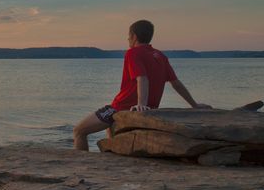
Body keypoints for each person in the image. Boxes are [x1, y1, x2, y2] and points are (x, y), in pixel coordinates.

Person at [73, 19, 211, 151]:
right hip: (149, 107)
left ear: (134, 36)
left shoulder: (132, 53)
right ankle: (113, 155)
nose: (127, 39)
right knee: (110, 128)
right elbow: (176, 83)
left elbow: (142, 78)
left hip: (122, 107)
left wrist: (141, 104)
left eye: (128, 36)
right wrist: (194, 105)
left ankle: (81, 165)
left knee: (79, 130)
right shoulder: (160, 56)